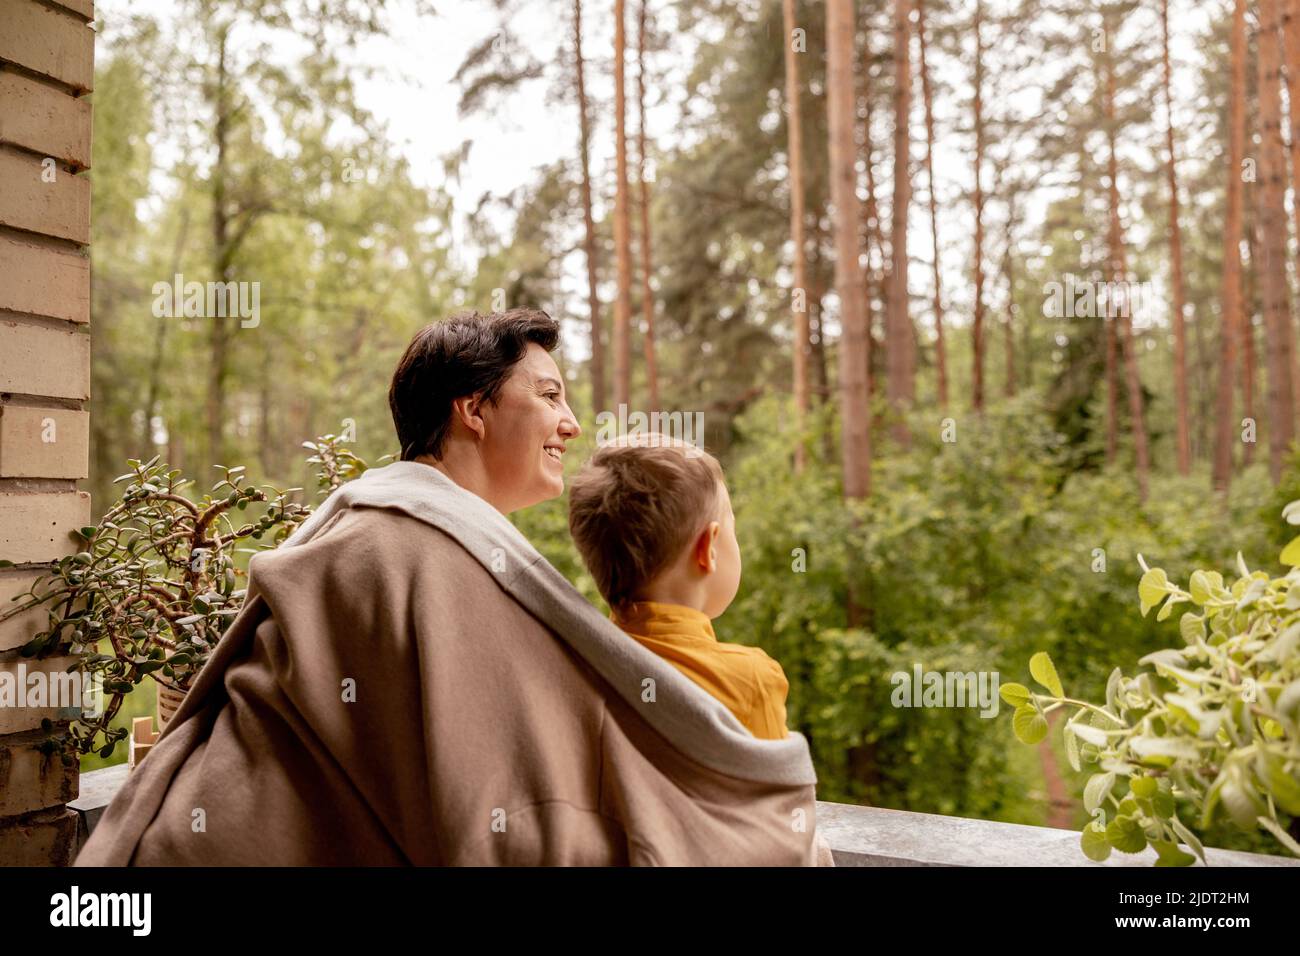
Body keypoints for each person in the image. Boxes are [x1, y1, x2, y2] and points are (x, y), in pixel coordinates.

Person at [76, 309, 829, 866]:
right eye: (548, 395)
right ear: (473, 410)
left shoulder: (419, 535)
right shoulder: (409, 549)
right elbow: (494, 803)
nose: (570, 423)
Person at [567, 433, 791, 740]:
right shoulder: (752, 682)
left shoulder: (577, 673)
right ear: (708, 548)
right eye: (732, 531)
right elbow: (780, 787)